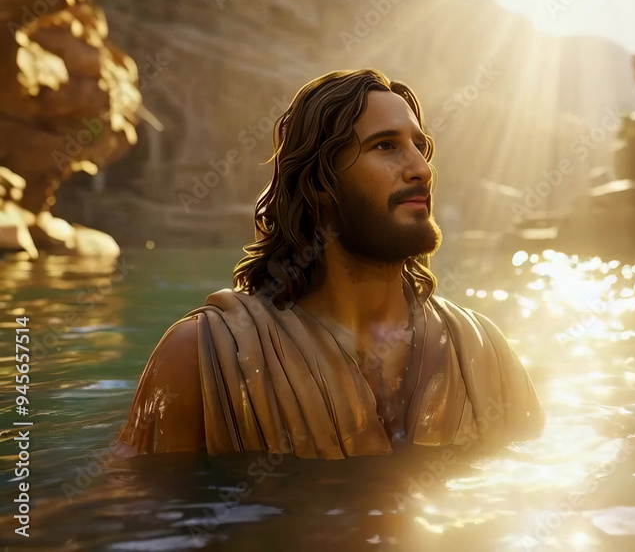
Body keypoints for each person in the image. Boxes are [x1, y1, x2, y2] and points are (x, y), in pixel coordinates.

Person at [116, 69, 544, 459]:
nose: (420, 169)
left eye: (421, 146)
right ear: (320, 183)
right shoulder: (204, 357)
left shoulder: (484, 353)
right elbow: (135, 519)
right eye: (386, 146)